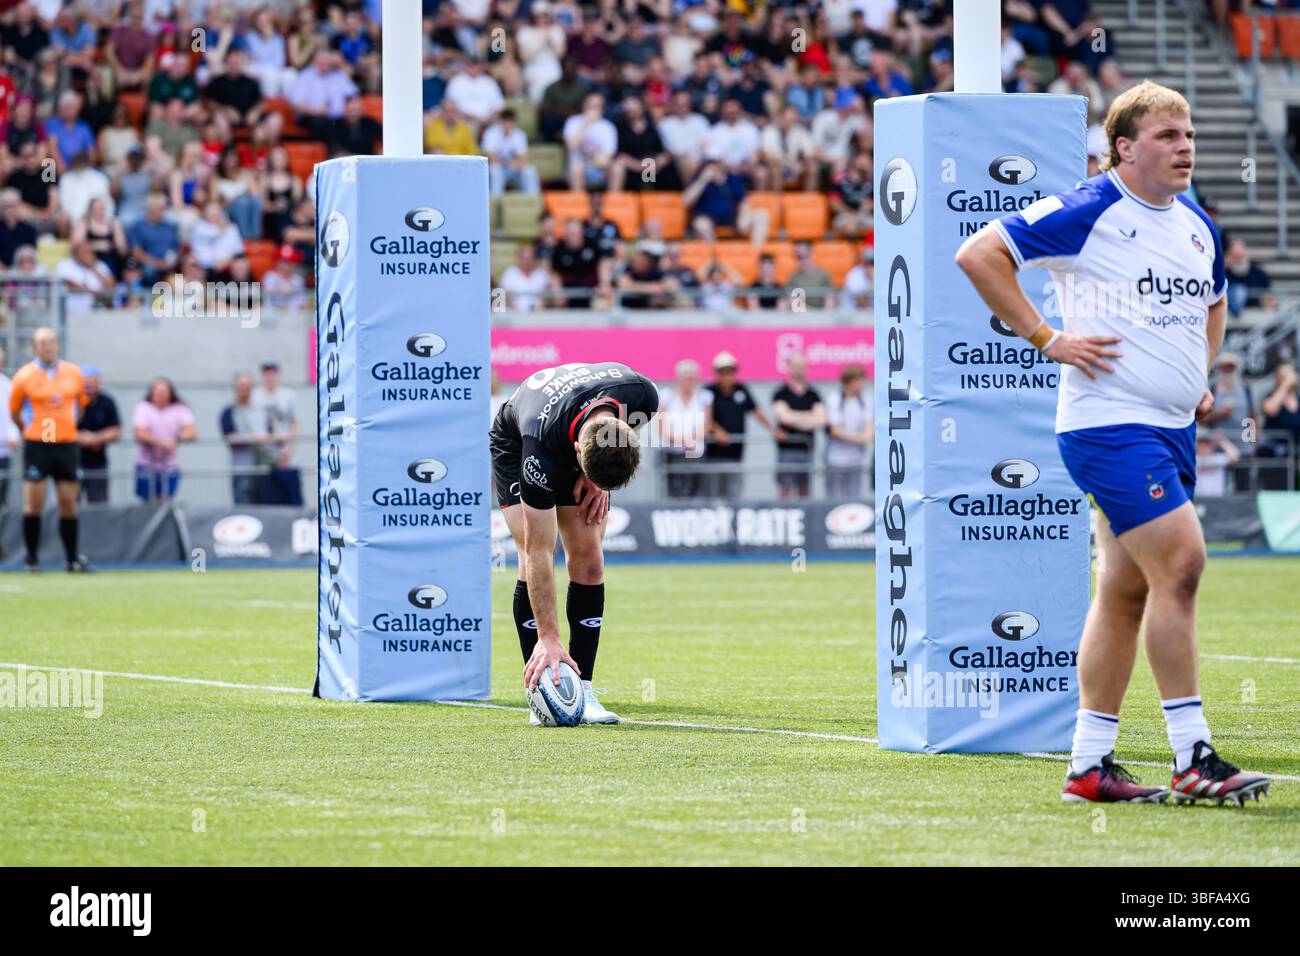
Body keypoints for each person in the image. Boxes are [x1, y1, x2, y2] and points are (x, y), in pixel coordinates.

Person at [955, 80, 1269, 805]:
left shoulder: (1195, 225)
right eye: (1167, 135)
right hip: (1109, 423)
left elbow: (1214, 301)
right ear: (1123, 148)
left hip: (1170, 427)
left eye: (1188, 134)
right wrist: (1047, 337)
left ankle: (1089, 765)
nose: (1184, 146)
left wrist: (1202, 373)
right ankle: (1192, 755)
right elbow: (979, 254)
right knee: (1184, 562)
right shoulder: (1091, 206)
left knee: (1126, 590)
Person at [490, 361, 659, 724]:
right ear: (580, 453)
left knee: (590, 560)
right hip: (517, 440)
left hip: (579, 433)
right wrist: (550, 636)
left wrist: (595, 480)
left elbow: (617, 437)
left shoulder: (643, 397)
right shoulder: (539, 451)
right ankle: (544, 687)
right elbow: (539, 552)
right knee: (531, 553)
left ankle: (583, 686)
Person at [6, 327, 90, 572]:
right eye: (42, 343)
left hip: (65, 444)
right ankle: (32, 559)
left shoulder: (74, 374)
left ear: (58, 345)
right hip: (38, 444)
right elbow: (15, 412)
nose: (48, 346)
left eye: (51, 341)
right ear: (34, 347)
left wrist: (67, 428)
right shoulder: (24, 376)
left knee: (68, 503)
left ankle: (72, 558)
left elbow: (81, 407)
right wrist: (30, 430)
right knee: (33, 504)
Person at [704, 351, 782, 499]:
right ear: (717, 373)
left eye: (730, 371)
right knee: (713, 496)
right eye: (723, 372)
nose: (727, 375)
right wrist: (717, 431)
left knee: (733, 495)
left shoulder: (741, 390)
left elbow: (757, 411)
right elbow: (703, 416)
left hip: (736, 455)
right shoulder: (709, 392)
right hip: (713, 455)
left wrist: (773, 430)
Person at [132, 377, 196, 502]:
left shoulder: (179, 409)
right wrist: (161, 442)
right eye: (157, 391)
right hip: (146, 464)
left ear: (170, 394)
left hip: (169, 465)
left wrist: (176, 439)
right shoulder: (143, 407)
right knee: (147, 502)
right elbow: (139, 432)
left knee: (165, 501)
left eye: (163, 392)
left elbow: (191, 432)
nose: (160, 395)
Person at [772, 353, 825, 499]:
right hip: (787, 450)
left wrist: (793, 417)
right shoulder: (781, 393)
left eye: (801, 367)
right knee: (785, 490)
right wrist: (809, 417)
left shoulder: (813, 394)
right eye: (795, 366)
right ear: (788, 368)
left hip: (807, 450)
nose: (799, 370)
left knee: (805, 491)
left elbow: (820, 420)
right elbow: (784, 417)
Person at [657, 359, 713, 498]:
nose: (689, 381)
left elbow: (708, 424)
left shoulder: (704, 397)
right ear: (679, 378)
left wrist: (692, 439)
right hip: (672, 451)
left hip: (695, 452)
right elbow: (661, 426)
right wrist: (681, 440)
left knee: (695, 489)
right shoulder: (667, 397)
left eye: (692, 378)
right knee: (673, 490)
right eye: (686, 377)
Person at [251, 361, 301, 506]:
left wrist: (290, 448)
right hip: (264, 455)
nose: (269, 377)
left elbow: (295, 422)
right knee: (266, 497)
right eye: (266, 373)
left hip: (286, 453)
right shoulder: (255, 396)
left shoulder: (288, 395)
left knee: (291, 497)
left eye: (272, 373)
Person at [824, 364, 873, 498]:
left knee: (854, 497)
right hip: (836, 459)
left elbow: (869, 428)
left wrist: (865, 436)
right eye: (859, 381)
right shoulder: (835, 399)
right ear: (850, 381)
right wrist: (860, 438)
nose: (862, 384)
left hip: (856, 459)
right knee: (835, 498)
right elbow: (835, 430)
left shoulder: (865, 399)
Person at [220, 372, 269, 505]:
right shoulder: (229, 411)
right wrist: (255, 438)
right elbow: (230, 439)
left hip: (264, 468)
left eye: (247, 386)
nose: (244, 389)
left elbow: (270, 434)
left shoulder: (262, 410)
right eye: (241, 386)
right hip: (242, 468)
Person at [76, 367, 121, 504]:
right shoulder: (72, 402)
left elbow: (115, 431)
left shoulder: (107, 402)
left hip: (98, 462)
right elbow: (61, 430)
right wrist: (79, 438)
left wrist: (94, 439)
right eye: (85, 383)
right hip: (74, 460)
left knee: (98, 503)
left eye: (92, 383)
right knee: (71, 502)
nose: (89, 387)